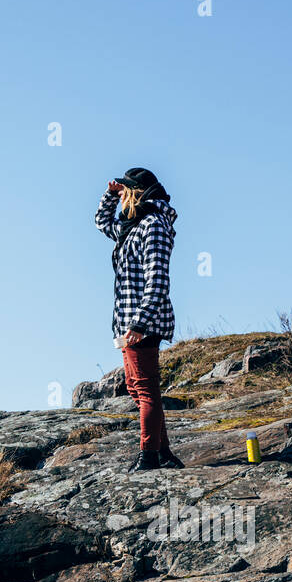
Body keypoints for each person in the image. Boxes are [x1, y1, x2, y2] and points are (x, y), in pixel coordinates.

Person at [95, 167, 184, 471]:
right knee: (136, 387)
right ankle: (163, 453)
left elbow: (157, 280)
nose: (120, 200)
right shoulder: (130, 227)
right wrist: (109, 194)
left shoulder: (154, 226)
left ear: (136, 194)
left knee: (145, 389)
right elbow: (101, 222)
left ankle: (149, 456)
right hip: (127, 322)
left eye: (123, 193)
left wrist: (140, 323)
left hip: (142, 322)